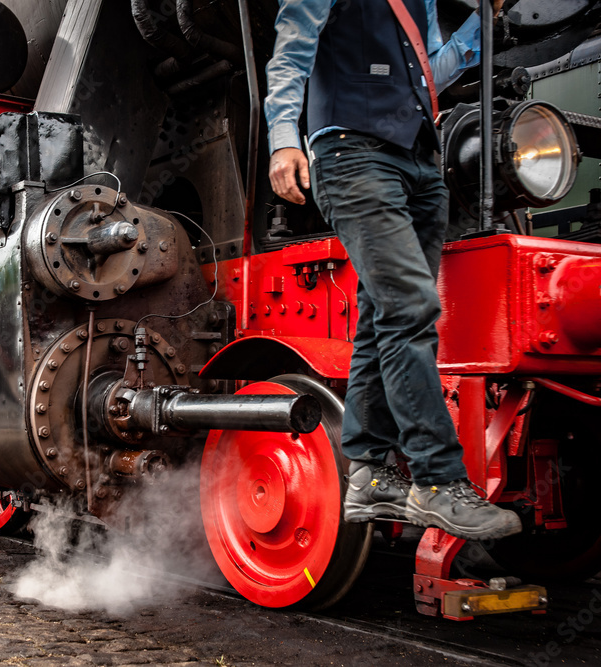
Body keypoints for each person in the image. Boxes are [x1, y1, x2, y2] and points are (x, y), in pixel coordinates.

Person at [266, 0, 521, 540]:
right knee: (410, 308)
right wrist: (284, 138)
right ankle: (438, 480)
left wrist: (482, 24)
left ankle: (367, 474)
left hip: (419, 163)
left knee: (384, 317)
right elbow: (291, 51)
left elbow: (433, 70)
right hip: (351, 153)